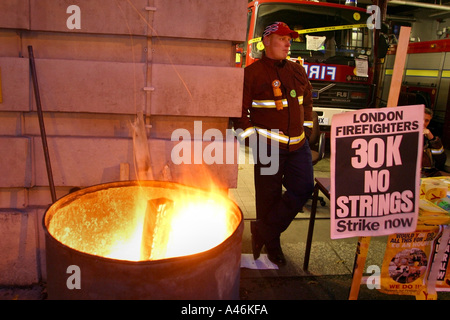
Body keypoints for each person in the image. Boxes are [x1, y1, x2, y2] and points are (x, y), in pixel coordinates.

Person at [233, 22, 314, 266]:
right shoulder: (252, 73)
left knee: (303, 188)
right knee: (267, 198)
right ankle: (273, 244)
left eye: (289, 39)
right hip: (268, 147)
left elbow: (306, 101)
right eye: (282, 38)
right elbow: (238, 111)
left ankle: (264, 231)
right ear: (266, 41)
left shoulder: (297, 70)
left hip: (298, 146)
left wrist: (307, 129)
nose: (288, 43)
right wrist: (252, 141)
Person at [422, 107, 449, 177]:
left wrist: (432, 139)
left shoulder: (429, 138)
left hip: (429, 174)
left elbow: (441, 161)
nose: (423, 123)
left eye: (427, 120)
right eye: (420, 119)